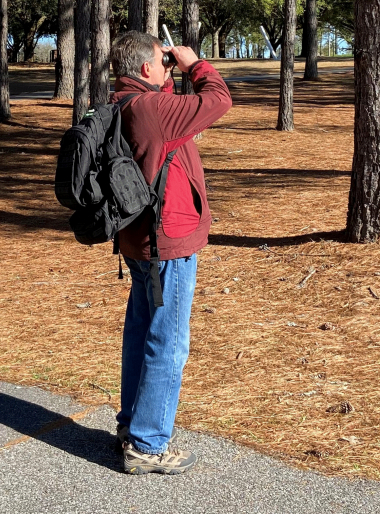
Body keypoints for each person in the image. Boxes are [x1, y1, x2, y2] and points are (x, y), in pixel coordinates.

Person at [110, 31, 232, 475]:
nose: (169, 67)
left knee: (141, 333)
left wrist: (169, 71)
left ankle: (132, 426)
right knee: (168, 342)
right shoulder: (154, 109)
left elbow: (178, 111)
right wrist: (194, 64)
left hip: (139, 240)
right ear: (146, 68)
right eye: (162, 62)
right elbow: (218, 100)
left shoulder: (122, 101)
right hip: (168, 242)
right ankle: (147, 445)